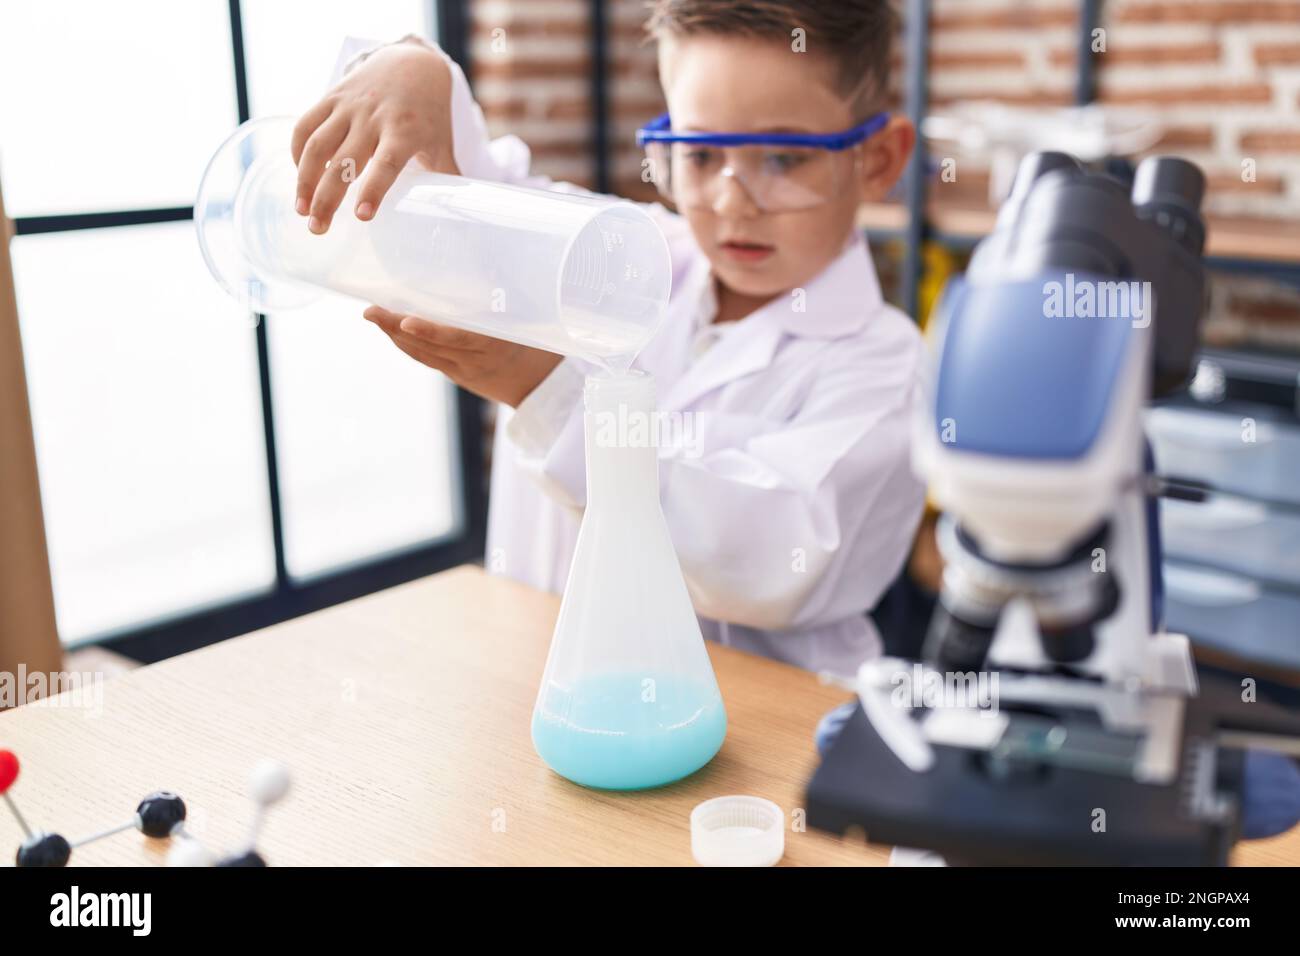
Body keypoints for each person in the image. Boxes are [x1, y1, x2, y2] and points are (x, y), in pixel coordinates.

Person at [294, 0, 925, 678]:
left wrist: (550, 395)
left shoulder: (887, 363)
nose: (734, 200)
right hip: (538, 692)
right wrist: (415, 70)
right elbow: (465, 192)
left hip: (753, 739)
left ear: (877, 159)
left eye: (782, 156)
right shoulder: (618, 254)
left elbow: (767, 562)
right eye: (702, 153)